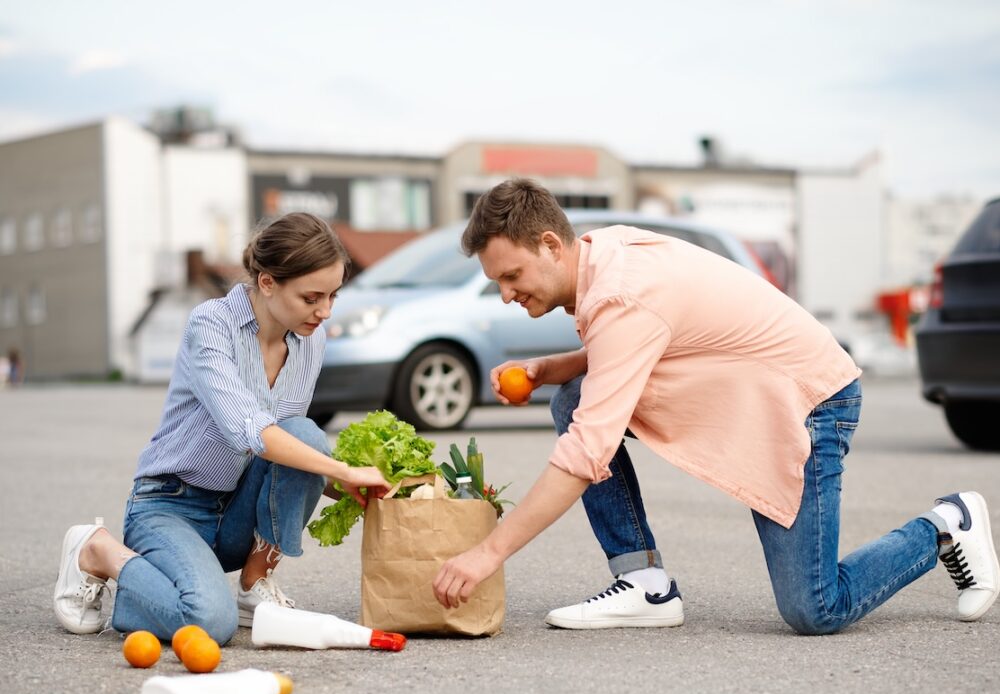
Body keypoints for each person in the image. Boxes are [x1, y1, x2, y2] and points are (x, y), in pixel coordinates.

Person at [432, 178, 999, 635]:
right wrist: (556, 368)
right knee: (576, 395)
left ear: (551, 245)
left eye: (512, 275)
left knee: (815, 607)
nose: (506, 293)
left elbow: (586, 452)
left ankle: (948, 524)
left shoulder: (621, 293)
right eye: (497, 282)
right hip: (764, 390)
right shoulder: (602, 253)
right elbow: (650, 339)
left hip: (810, 401)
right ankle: (644, 585)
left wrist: (487, 554)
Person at [54, 212, 391, 643]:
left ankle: (253, 588)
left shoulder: (310, 339)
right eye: (311, 298)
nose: (324, 311)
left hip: (234, 512)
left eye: (333, 296)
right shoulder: (210, 325)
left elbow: (287, 450)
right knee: (210, 623)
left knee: (304, 433)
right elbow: (248, 430)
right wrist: (344, 471)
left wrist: (349, 487)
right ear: (267, 282)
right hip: (169, 507)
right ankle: (98, 551)